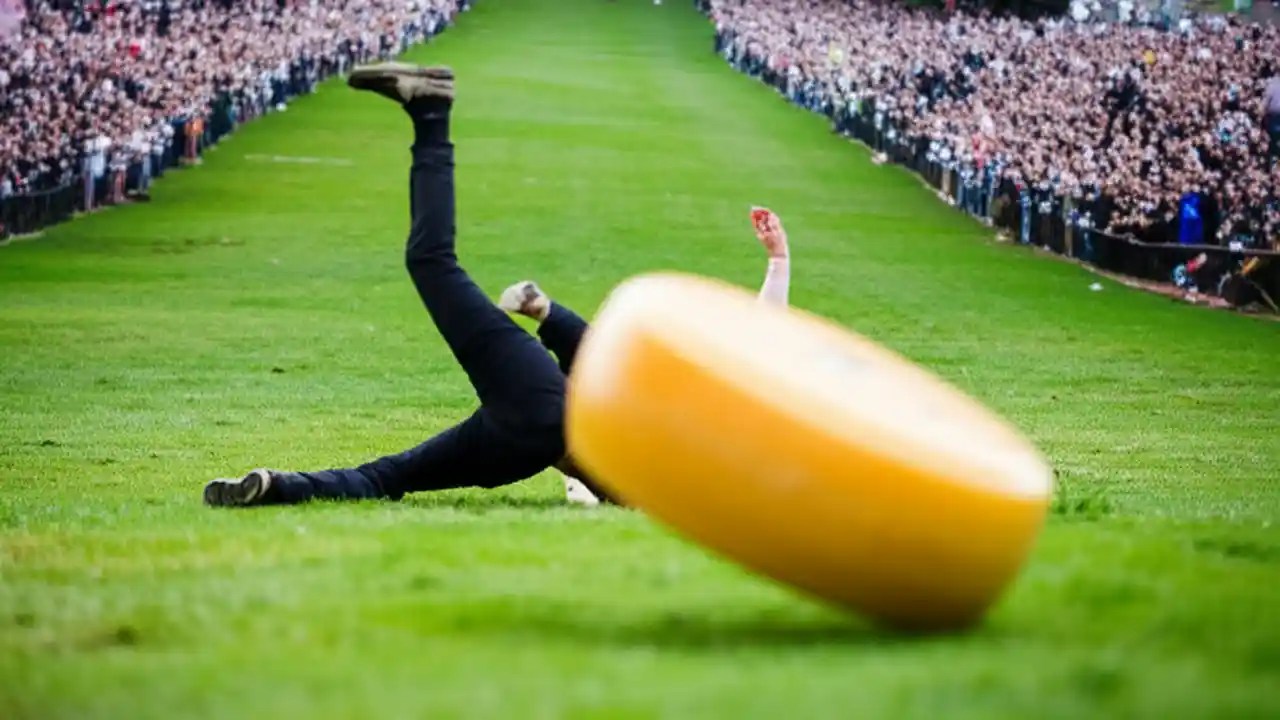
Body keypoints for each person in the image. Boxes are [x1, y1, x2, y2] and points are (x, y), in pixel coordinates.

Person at [202, 61, 793, 509]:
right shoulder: (652, 472)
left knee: (432, 260)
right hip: (522, 444)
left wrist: (547, 312)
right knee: (388, 477)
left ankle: (431, 111)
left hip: (536, 407)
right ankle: (274, 488)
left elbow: (596, 351)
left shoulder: (653, 433)